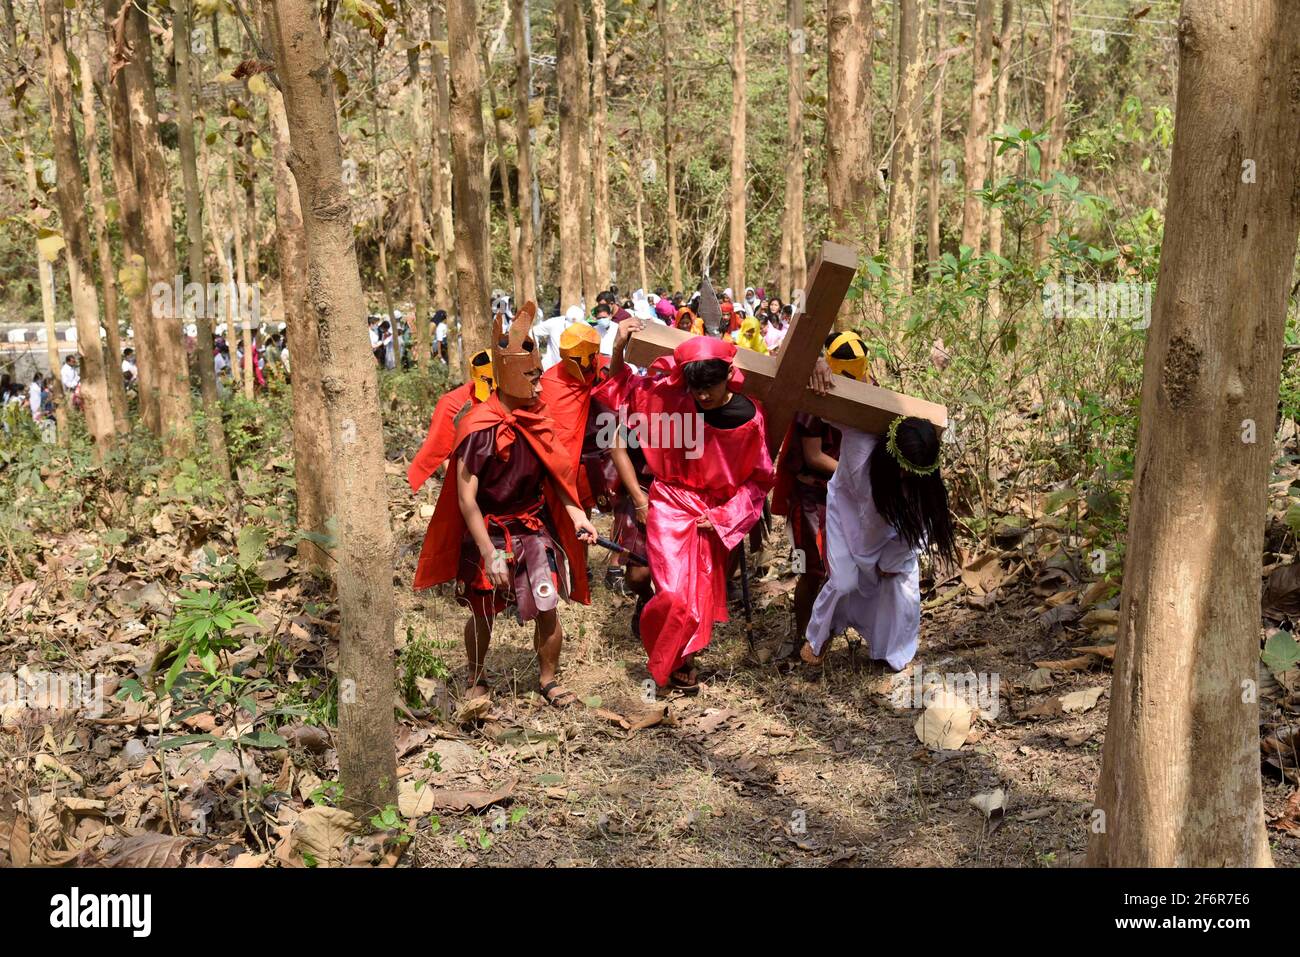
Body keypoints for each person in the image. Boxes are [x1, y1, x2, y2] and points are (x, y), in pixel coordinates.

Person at [413, 304, 598, 707]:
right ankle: (476, 678)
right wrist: (487, 551)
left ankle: (548, 680)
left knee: (547, 602)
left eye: (537, 375)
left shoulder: (537, 417)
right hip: (490, 528)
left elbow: (557, 473)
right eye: (531, 376)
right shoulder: (478, 426)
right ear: (509, 375)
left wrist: (576, 513)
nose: (538, 384)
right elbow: (465, 498)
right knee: (482, 610)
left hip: (532, 525)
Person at [597, 317, 774, 692]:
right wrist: (617, 347)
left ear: (728, 375)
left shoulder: (749, 416)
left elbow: (759, 479)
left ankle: (681, 661)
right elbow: (621, 392)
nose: (703, 396)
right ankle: (663, 653)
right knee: (675, 593)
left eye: (709, 387)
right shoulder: (670, 398)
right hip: (670, 504)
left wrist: (725, 516)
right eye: (696, 388)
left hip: (713, 512)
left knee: (700, 597)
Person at [800, 400, 958, 670]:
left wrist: (892, 559)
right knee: (843, 583)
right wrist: (820, 366)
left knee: (899, 592)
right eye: (901, 467)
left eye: (910, 472)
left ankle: (890, 654)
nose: (903, 474)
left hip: (894, 538)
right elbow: (827, 401)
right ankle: (820, 635)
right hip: (847, 518)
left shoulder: (920, 485)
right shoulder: (860, 441)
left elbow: (920, 527)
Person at [770, 333, 872, 658]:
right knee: (809, 569)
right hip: (812, 498)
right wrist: (853, 475)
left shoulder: (868, 386)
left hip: (848, 496)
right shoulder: (816, 394)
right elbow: (813, 455)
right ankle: (802, 634)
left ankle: (832, 629)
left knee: (847, 569)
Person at [539, 322, 613, 513]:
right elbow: (547, 432)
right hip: (563, 462)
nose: (585, 364)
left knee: (586, 512)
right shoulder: (551, 381)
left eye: (590, 357)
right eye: (577, 359)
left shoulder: (604, 369)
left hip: (596, 456)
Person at [408, 350, 494, 493]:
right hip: (466, 472)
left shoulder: (510, 394)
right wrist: (459, 490)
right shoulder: (452, 403)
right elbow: (443, 452)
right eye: (489, 381)